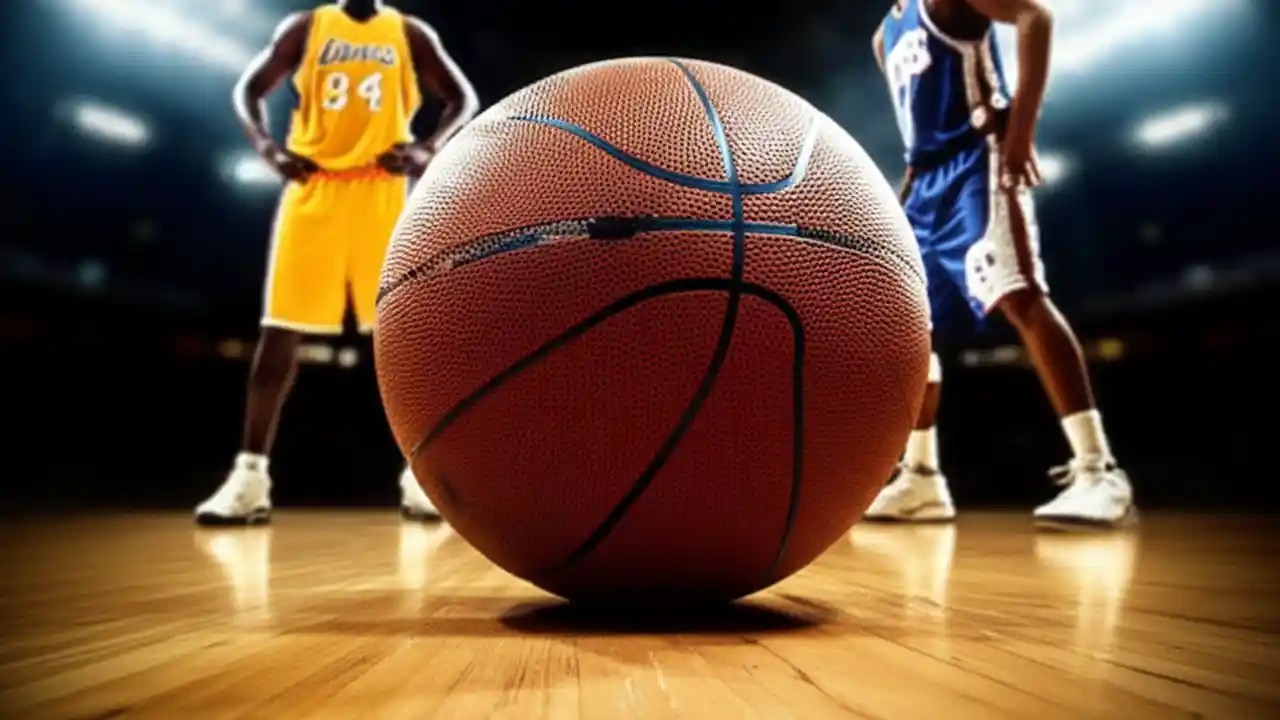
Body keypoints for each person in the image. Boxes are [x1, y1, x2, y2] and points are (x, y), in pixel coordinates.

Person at [195, 0, 478, 525]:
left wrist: (428, 147)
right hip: (317, 187)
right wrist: (266, 148)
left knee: (402, 336)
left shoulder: (408, 33)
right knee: (279, 333)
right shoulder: (308, 27)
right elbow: (249, 89)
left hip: (382, 191)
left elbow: (462, 98)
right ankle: (249, 475)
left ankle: (418, 473)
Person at [866, 0, 1135, 528]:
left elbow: (1037, 17)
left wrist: (1021, 132)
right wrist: (909, 190)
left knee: (1019, 295)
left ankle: (1098, 469)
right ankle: (923, 479)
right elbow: (918, 122)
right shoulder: (885, 35)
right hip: (924, 183)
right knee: (918, 333)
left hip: (976, 161)